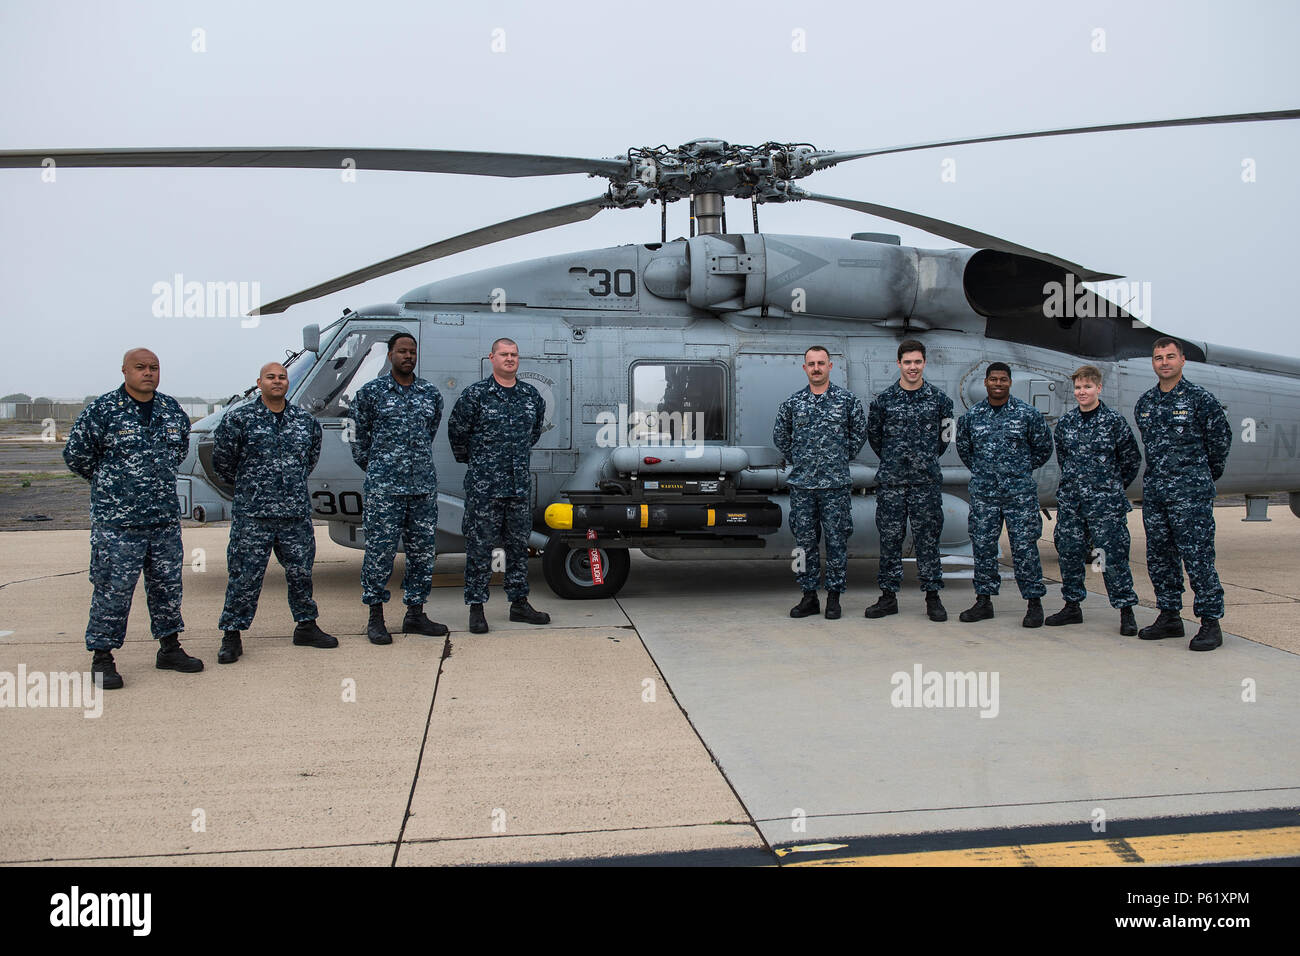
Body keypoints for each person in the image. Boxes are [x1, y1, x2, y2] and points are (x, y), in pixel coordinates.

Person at [63, 348, 202, 688]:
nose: (148, 372)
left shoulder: (171, 410)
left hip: (163, 521)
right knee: (113, 590)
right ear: (125, 371)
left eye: (154, 367)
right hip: (118, 524)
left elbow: (178, 452)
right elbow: (77, 455)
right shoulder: (103, 410)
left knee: (168, 588)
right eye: (140, 367)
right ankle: (102, 657)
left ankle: (169, 648)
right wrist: (113, 485)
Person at [212, 362, 335, 663]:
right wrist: (253, 488)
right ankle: (232, 635)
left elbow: (309, 459)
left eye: (282, 377)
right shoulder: (239, 419)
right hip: (253, 515)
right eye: (270, 377)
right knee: (244, 576)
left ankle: (306, 626)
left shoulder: (304, 421)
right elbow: (223, 463)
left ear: (287, 383)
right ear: (259, 383)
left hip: (294, 514)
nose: (277, 381)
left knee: (301, 573)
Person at [1134, 337, 1232, 651]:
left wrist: (1200, 476)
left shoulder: (1200, 399)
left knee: (1198, 557)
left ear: (1182, 360)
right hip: (1156, 495)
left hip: (1190, 494)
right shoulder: (1146, 403)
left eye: (1170, 356)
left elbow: (1220, 442)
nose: (1164, 362)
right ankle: (1169, 616)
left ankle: (1210, 622)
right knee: (1160, 557)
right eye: (1158, 357)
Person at [349, 332, 447, 645]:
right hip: (385, 490)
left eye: (412, 352)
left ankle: (415, 614)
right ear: (390, 354)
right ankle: (376, 617)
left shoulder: (429, 394)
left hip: (421, 489)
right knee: (380, 554)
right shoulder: (371, 393)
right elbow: (357, 436)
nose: (408, 356)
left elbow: (430, 432)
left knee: (422, 553)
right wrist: (378, 467)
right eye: (402, 351)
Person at [448, 338, 550, 634]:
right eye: (504, 354)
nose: (510, 358)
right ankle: (476, 608)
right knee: (480, 548)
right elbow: (457, 434)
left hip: (518, 488)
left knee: (518, 547)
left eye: (514, 354)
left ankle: (519, 604)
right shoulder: (476, 395)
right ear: (491, 358)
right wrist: (480, 464)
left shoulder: (531, 396)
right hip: (485, 488)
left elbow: (533, 434)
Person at [772, 345, 869, 620]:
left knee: (837, 542)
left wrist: (838, 458)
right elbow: (780, 437)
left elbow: (859, 434)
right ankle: (808, 596)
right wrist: (802, 459)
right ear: (805, 368)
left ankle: (834, 597)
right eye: (812, 364)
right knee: (803, 544)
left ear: (830, 366)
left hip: (835, 486)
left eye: (821, 363)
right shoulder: (793, 403)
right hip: (803, 487)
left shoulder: (847, 401)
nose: (816, 368)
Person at [955, 362, 1054, 627]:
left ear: (1010, 382)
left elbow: (1043, 448)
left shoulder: (1027, 414)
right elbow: (965, 449)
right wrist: (985, 471)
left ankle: (1034, 603)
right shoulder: (972, 416)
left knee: (1024, 548)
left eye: (1002, 380)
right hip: (985, 495)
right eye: (993, 379)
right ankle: (983, 601)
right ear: (986, 383)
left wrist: (1019, 469)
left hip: (1019, 495)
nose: (998, 384)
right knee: (983, 548)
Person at [1046, 365, 1142, 634]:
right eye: (1078, 387)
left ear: (1098, 388)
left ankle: (1125, 609)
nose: (1082, 392)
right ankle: (1072, 606)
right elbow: (1064, 459)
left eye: (1087, 387)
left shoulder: (1113, 421)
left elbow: (1131, 460)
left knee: (1110, 557)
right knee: (1069, 554)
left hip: (1105, 506)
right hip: (1072, 504)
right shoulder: (1066, 423)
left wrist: (1109, 488)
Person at [864, 339, 954, 622]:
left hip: (925, 484)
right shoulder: (883, 402)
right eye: (907, 362)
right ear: (899, 364)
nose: (912, 367)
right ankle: (888, 597)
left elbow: (945, 439)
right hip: (892, 484)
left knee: (928, 539)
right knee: (890, 539)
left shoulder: (941, 401)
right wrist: (895, 461)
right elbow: (875, 438)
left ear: (924, 363)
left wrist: (922, 461)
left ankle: (933, 597)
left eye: (917, 362)